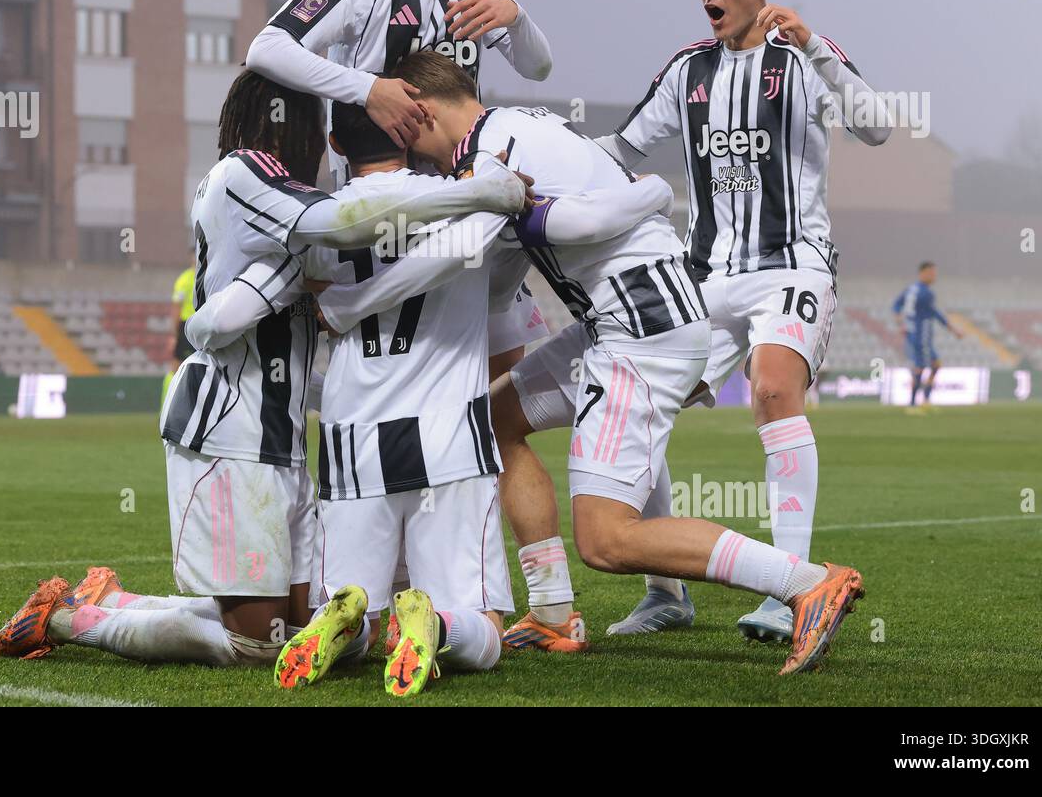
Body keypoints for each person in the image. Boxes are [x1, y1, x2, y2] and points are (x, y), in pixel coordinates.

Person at [343, 50, 866, 675]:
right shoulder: (509, 134)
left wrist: (355, 305)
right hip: (621, 323)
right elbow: (500, 279)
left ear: (418, 110)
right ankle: (554, 611)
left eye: (395, 119)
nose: (402, 144)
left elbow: (577, 219)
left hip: (643, 331)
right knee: (492, 422)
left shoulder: (494, 157)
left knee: (606, 539)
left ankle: (807, 582)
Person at [0, 69, 529, 669]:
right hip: (233, 430)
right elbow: (219, 319)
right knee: (256, 645)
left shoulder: (297, 203)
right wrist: (480, 192)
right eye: (307, 120)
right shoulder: (245, 172)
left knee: (306, 629)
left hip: (283, 436)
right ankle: (71, 618)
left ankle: (112, 598)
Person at [248, 0, 576, 644]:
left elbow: (536, 65)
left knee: (499, 409)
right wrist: (365, 90)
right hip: (391, 209)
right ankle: (414, 600)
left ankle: (550, 609)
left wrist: (517, 11)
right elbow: (268, 47)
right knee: (399, 394)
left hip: (472, 205)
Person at [276, 102, 674, 694]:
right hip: (448, 435)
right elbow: (553, 222)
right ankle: (437, 623)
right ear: (411, 133)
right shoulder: (470, 199)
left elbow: (304, 292)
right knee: (483, 628)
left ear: (336, 143)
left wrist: (345, 305)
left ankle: (342, 620)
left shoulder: (321, 220)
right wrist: (652, 190)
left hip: (350, 433)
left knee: (354, 599)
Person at [570, 0, 893, 643]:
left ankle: (791, 590)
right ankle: (666, 593)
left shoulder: (803, 58)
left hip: (790, 265)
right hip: (705, 277)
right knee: (646, 402)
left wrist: (814, 44)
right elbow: (619, 150)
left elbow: (877, 127)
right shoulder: (687, 71)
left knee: (775, 386)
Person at [893, 261, 961, 409]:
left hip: (913, 332)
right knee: (920, 367)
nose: (934, 275)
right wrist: (954, 330)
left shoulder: (910, 289)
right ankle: (912, 404)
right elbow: (935, 314)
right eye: (932, 272)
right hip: (921, 333)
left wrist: (900, 321)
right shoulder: (926, 293)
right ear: (923, 273)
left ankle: (925, 400)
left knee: (935, 365)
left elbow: (896, 305)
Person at [164, 251, 197, 401]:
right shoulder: (184, 280)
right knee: (176, 367)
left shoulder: (187, 279)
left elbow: (176, 306)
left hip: (195, 326)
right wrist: (174, 334)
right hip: (187, 327)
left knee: (179, 367)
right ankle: (168, 404)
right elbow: (176, 308)